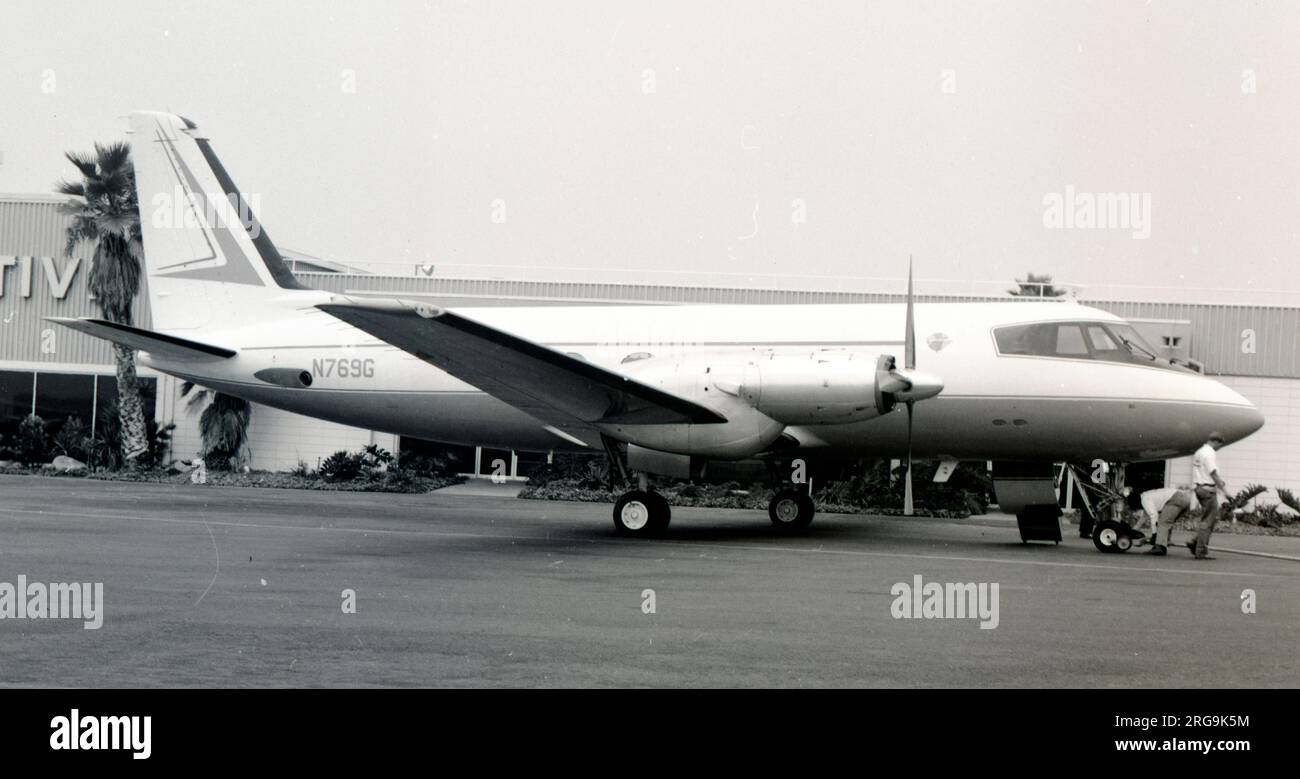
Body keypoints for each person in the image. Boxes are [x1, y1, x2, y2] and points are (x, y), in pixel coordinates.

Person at [1187, 432, 1230, 560]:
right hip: (1208, 490)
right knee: (1208, 521)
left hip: (1199, 488)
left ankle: (1196, 542)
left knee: (1209, 519)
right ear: (1216, 442)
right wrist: (1225, 491)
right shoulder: (1209, 453)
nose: (1219, 448)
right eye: (1220, 446)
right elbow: (1213, 473)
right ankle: (1200, 550)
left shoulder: (1199, 452)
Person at [1142, 486, 1195, 556]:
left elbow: (1154, 515)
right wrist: (1133, 531)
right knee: (1168, 522)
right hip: (1186, 499)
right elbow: (1143, 517)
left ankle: (1158, 548)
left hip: (1176, 498)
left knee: (1163, 522)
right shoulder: (1150, 495)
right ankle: (1164, 545)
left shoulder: (1144, 498)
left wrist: (1154, 535)